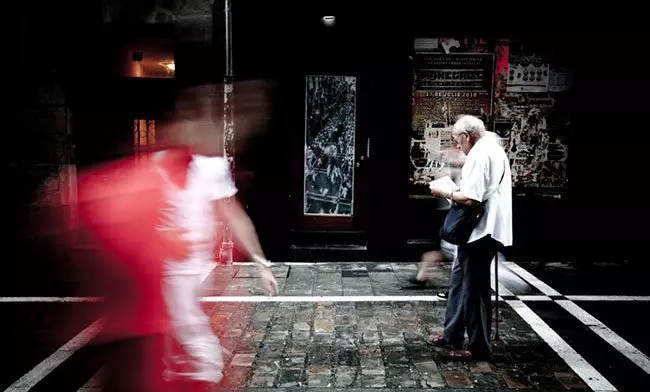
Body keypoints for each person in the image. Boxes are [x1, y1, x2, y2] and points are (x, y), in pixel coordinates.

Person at [154, 119, 279, 389]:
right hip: (160, 265)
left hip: (192, 269)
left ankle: (202, 373)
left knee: (192, 334)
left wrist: (261, 265)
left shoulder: (209, 170)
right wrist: (161, 234)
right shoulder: (156, 167)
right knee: (168, 336)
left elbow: (235, 217)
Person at [428, 115, 512, 360]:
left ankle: (479, 348)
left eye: (457, 140)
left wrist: (445, 191)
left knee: (474, 291)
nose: (458, 146)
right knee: (458, 282)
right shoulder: (493, 149)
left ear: (466, 136)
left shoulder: (478, 154)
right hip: (484, 229)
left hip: (480, 232)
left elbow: (470, 198)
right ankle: (451, 332)